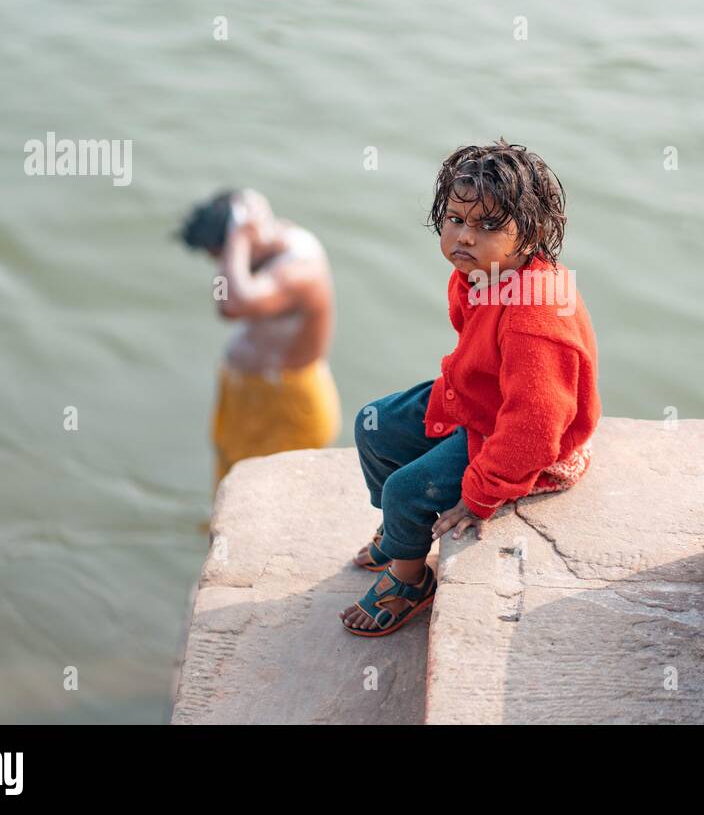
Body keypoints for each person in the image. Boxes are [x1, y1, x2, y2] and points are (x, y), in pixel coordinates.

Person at [339, 139, 600, 636]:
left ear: (533, 235)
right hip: (481, 400)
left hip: (523, 439)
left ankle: (410, 579)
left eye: (487, 226)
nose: (464, 237)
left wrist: (481, 493)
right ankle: (401, 535)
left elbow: (536, 427)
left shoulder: (535, 316)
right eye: (456, 219)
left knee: (408, 489)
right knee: (374, 425)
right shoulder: (483, 272)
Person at [178, 189, 340, 485]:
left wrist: (237, 239)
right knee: (229, 487)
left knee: (269, 498)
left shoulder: (300, 268)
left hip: (284, 406)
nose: (223, 267)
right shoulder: (268, 248)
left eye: (222, 256)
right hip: (252, 397)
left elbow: (230, 305)